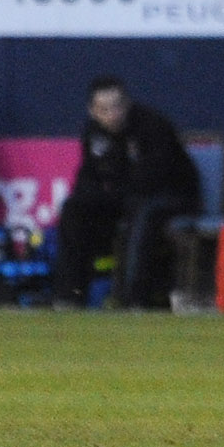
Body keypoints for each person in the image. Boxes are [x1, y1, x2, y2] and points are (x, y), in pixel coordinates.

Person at [50, 76, 201, 309]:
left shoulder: (152, 125)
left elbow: (155, 178)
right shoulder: (93, 133)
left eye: (117, 106)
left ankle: (133, 299)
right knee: (74, 209)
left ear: (127, 104)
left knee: (141, 212)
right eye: (104, 109)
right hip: (123, 198)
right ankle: (68, 297)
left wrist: (114, 192)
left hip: (171, 197)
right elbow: (88, 177)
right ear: (92, 111)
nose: (113, 114)